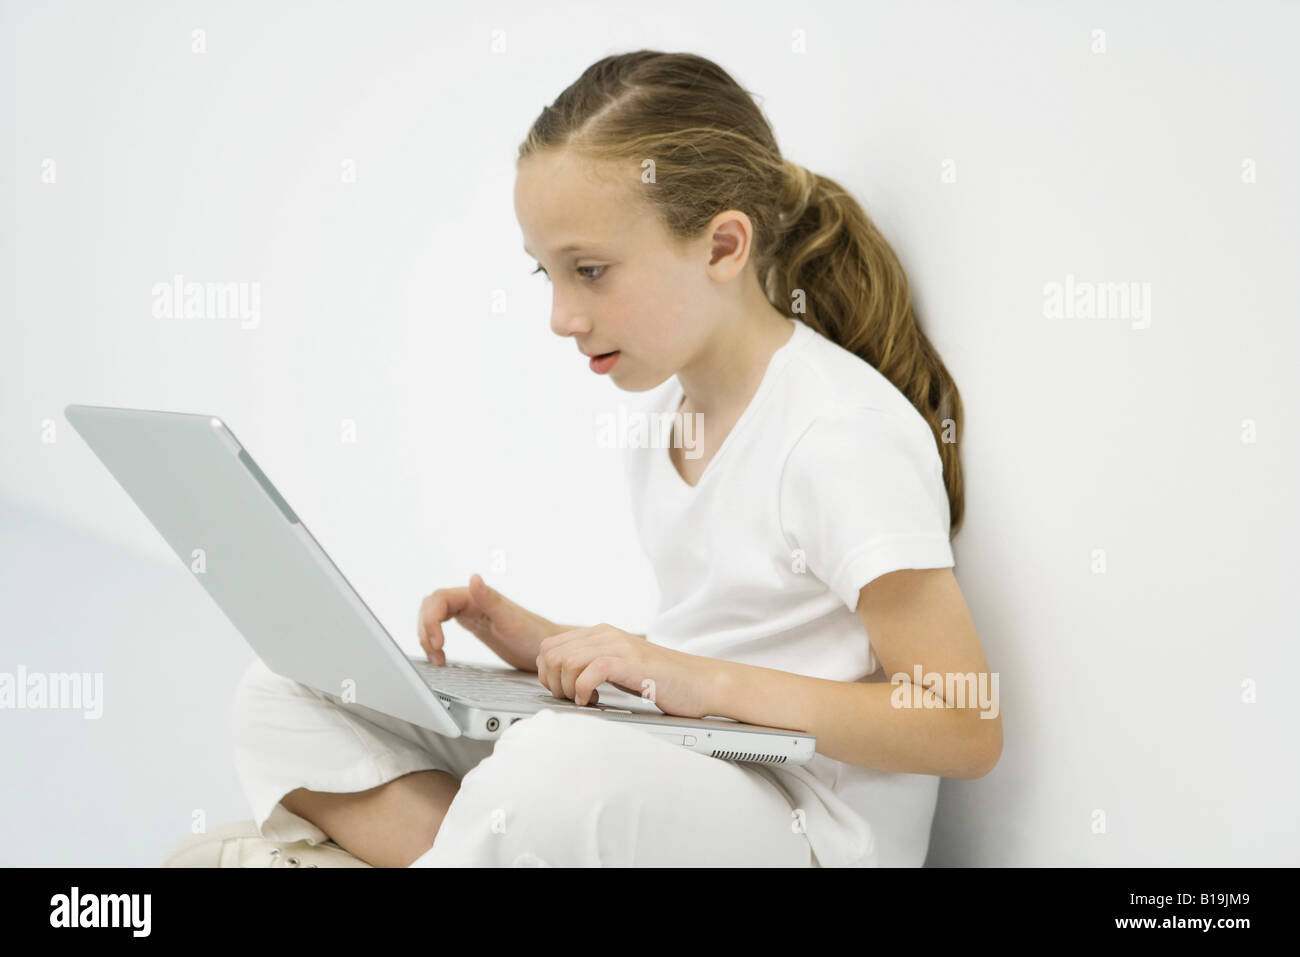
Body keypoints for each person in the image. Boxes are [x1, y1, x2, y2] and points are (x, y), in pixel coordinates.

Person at [230, 49, 1001, 868]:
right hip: (686, 766)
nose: (563, 316)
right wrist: (543, 642)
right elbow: (720, 642)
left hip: (804, 824)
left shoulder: (838, 435)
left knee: (553, 768)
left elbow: (964, 724)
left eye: (590, 271)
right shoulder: (672, 416)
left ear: (723, 247)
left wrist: (685, 680)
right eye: (549, 274)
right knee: (282, 693)